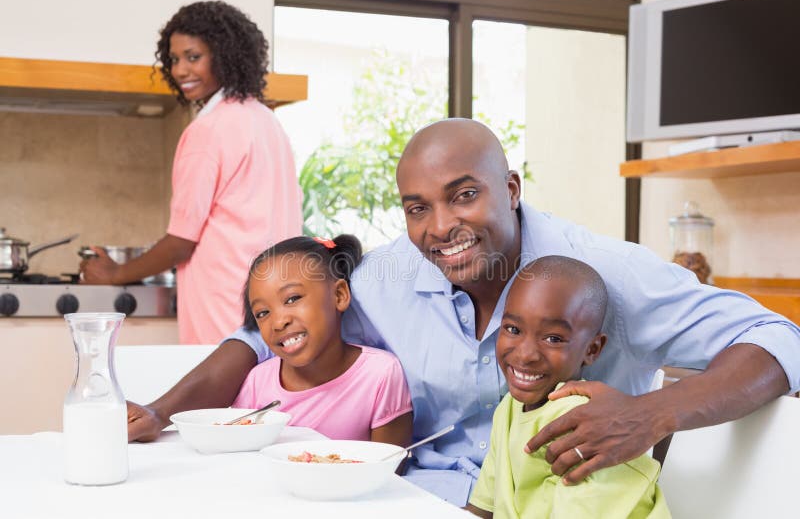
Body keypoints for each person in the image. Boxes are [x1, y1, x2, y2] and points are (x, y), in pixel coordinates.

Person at [125, 118, 799, 506]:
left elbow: (777, 337)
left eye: (464, 195)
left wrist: (653, 414)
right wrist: (158, 412)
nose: (440, 226)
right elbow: (259, 339)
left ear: (508, 189)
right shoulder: (389, 272)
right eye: (418, 207)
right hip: (408, 500)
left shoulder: (603, 274)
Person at [79, 1, 302, 344]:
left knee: (219, 400)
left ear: (224, 55)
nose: (181, 69)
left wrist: (116, 273)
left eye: (193, 57)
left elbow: (181, 243)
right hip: (273, 309)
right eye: (174, 59)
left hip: (225, 311)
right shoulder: (268, 122)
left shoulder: (207, 131)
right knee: (260, 398)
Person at [466, 256, 669, 519]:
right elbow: (481, 510)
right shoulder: (508, 408)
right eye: (513, 329)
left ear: (592, 349)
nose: (526, 354)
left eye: (553, 338)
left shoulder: (586, 426)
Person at [231, 234, 413, 444]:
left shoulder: (381, 374)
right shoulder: (257, 382)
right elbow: (240, 454)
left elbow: (389, 467)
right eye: (263, 313)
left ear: (339, 295)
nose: (278, 323)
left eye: (292, 299)